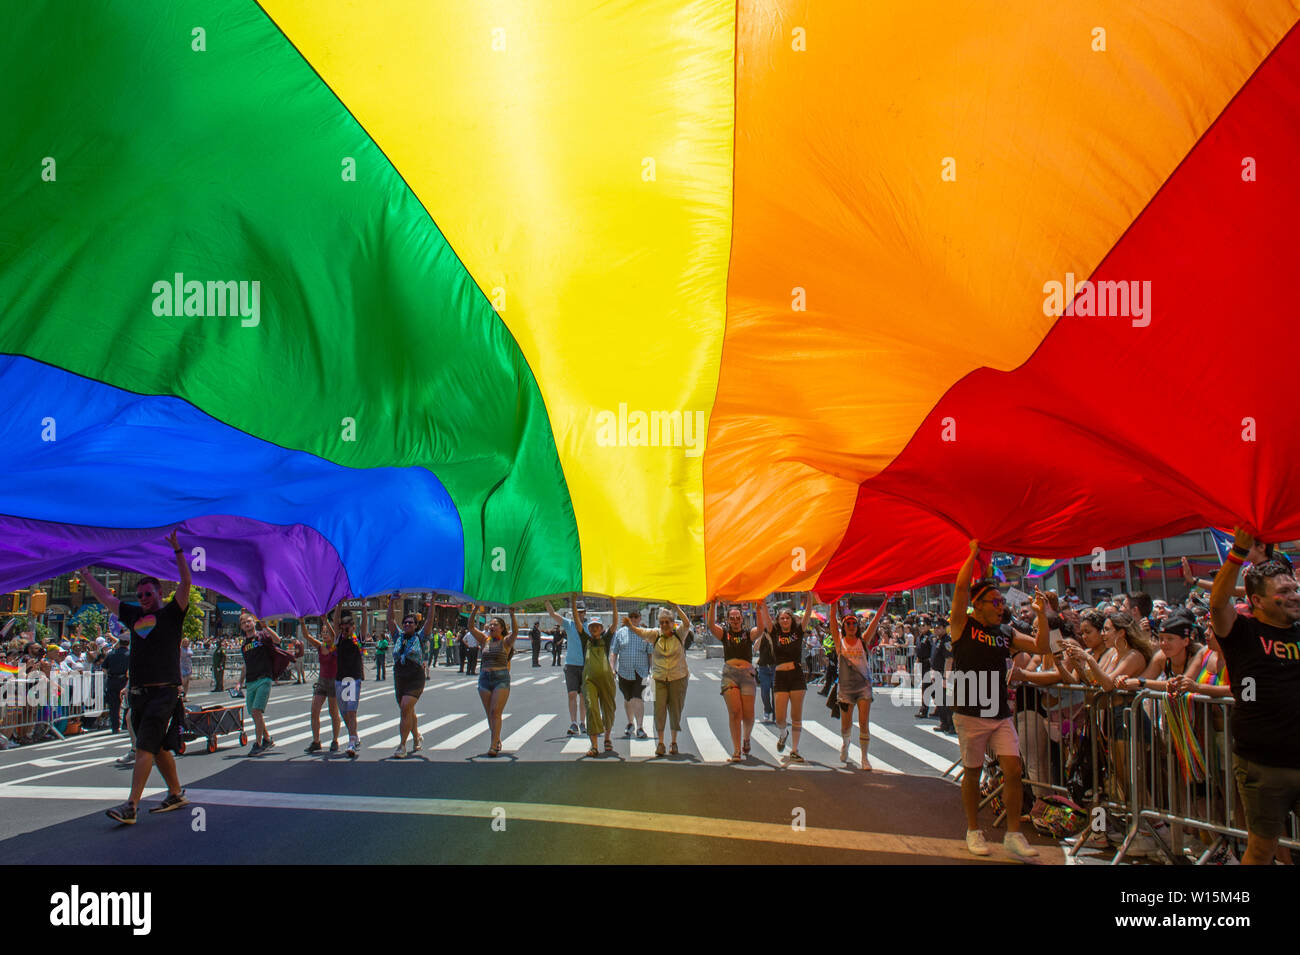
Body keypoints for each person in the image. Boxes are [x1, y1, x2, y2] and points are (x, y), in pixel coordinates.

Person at [81, 532, 191, 825]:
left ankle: (131, 805)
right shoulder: (131, 615)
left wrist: (178, 548)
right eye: (139, 595)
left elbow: (186, 583)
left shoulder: (172, 614)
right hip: (138, 694)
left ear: (158, 594)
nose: (142, 598)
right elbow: (106, 598)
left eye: (148, 594)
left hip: (164, 693)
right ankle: (176, 793)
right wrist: (86, 574)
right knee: (158, 748)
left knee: (144, 745)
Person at [1209, 527, 1300, 865]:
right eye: (1284, 591)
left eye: (1294, 588)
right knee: (1262, 850)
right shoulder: (1242, 633)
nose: (1293, 595)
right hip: (1262, 766)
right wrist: (1238, 552)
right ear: (1256, 601)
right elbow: (1218, 602)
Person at [949, 540, 1044, 858]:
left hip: (999, 712)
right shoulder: (962, 625)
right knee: (973, 772)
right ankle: (973, 830)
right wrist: (972, 553)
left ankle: (1014, 834)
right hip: (969, 712)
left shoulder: (1006, 631)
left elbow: (1041, 647)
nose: (1001, 606)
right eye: (994, 602)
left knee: (1013, 770)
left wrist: (1042, 616)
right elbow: (961, 590)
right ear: (978, 605)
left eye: (1002, 601)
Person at [827, 595, 889, 769]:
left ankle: (864, 757)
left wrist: (886, 600)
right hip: (846, 689)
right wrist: (833, 599)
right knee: (845, 725)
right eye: (849, 624)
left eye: (855, 623)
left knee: (864, 723)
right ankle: (846, 744)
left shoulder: (863, 640)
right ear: (844, 627)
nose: (852, 626)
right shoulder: (840, 642)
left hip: (863, 688)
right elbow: (832, 620)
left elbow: (876, 620)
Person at [623, 603, 692, 757]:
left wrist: (676, 608)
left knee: (675, 710)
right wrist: (630, 626)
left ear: (672, 623)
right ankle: (660, 743)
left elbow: (687, 624)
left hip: (678, 677)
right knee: (659, 710)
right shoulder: (655, 634)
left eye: (667, 622)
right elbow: (642, 632)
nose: (664, 625)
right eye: (661, 622)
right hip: (658, 678)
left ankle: (673, 742)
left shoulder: (679, 633)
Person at [761, 594, 814, 763]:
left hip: (796, 675)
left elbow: (807, 615)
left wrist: (810, 596)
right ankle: (783, 734)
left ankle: (795, 750)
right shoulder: (774, 631)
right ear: (779, 620)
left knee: (796, 716)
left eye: (787, 618)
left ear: (791, 620)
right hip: (780, 676)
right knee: (780, 718)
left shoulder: (798, 632)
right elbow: (766, 618)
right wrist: (761, 600)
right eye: (782, 618)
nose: (784, 620)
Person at [707, 601, 759, 761]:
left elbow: (762, 629)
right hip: (730, 674)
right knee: (735, 713)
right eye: (732, 618)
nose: (735, 621)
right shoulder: (724, 634)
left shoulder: (749, 633)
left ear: (742, 619)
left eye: (737, 618)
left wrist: (760, 605)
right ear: (728, 620)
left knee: (748, 716)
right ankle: (736, 750)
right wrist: (713, 604)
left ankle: (746, 738)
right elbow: (710, 624)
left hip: (747, 674)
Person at [466, 605, 518, 756]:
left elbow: (515, 632)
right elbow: (470, 626)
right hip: (484, 679)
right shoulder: (484, 640)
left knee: (496, 711)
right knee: (490, 713)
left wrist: (512, 614)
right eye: (491, 624)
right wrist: (475, 608)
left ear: (501, 628)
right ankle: (496, 739)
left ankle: (493, 744)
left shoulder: (506, 642)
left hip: (500, 679)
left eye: (496, 625)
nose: (492, 626)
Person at [388, 595, 433, 758]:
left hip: (415, 677)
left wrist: (433, 600)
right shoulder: (397, 637)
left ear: (416, 625)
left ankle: (402, 745)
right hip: (400, 676)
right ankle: (416, 736)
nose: (407, 624)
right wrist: (391, 601)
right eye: (405, 622)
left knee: (406, 707)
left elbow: (429, 621)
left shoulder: (420, 637)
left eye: (411, 623)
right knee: (407, 709)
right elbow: (390, 620)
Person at [575, 599, 618, 756]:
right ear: (589, 628)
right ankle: (594, 745)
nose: (594, 629)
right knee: (591, 707)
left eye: (597, 626)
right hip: (589, 680)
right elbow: (576, 620)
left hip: (607, 680)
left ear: (601, 628)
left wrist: (614, 603)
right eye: (591, 626)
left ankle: (607, 738)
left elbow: (614, 624)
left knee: (609, 709)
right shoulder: (585, 640)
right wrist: (573, 601)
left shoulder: (605, 640)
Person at [235, 612, 281, 755]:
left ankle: (258, 743)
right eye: (244, 623)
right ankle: (267, 739)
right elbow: (246, 665)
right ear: (242, 627)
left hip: (264, 678)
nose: (247, 624)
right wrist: (239, 682)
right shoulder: (244, 645)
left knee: (256, 711)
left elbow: (277, 640)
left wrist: (266, 627)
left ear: (254, 622)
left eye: (249, 621)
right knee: (255, 714)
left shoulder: (262, 636)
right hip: (251, 681)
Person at [609, 608, 652, 740]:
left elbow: (650, 654)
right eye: (631, 617)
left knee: (637, 698)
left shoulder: (646, 633)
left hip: (641, 671)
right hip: (624, 672)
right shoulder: (620, 633)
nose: (634, 619)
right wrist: (612, 668)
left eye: (636, 617)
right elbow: (614, 652)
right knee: (628, 699)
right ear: (628, 618)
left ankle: (640, 727)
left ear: (640, 618)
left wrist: (653, 671)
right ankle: (630, 723)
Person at [547, 595, 586, 736]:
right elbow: (552, 614)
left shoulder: (590, 626)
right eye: (577, 611)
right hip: (571, 665)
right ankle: (574, 723)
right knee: (572, 694)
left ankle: (583, 722)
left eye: (582, 612)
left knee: (583, 696)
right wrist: (546, 599)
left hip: (585, 665)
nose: (579, 614)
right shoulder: (569, 624)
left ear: (585, 613)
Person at [302, 617, 341, 753]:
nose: (325, 634)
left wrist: (325, 620)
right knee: (314, 710)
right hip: (322, 681)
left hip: (333, 681)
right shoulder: (320, 646)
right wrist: (301, 620)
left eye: (327, 632)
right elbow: (306, 635)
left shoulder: (335, 647)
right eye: (323, 632)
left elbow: (335, 635)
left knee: (333, 712)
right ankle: (316, 741)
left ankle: (335, 740)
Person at [331, 606, 365, 758]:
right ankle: (355, 735)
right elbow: (334, 621)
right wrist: (338, 605)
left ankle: (351, 742)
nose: (345, 628)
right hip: (340, 679)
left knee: (351, 712)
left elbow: (364, 624)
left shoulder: (358, 639)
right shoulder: (338, 639)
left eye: (348, 626)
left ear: (353, 627)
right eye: (343, 626)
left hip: (353, 679)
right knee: (344, 712)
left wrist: (364, 606)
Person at [102, 633, 130, 735]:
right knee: (127, 703)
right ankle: (125, 724)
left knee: (113, 705)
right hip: (125, 680)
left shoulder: (111, 654)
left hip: (112, 680)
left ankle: (115, 727)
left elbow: (104, 667)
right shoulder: (130, 654)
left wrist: (109, 675)